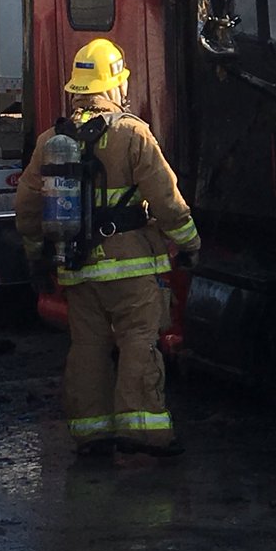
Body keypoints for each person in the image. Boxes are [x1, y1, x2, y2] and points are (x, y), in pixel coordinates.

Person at [16, 38, 200, 459]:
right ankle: (145, 432)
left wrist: (35, 253)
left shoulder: (51, 140)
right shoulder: (133, 134)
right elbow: (167, 198)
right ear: (113, 85)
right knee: (138, 340)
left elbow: (26, 207)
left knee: (87, 346)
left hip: (77, 267)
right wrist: (190, 242)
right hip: (131, 268)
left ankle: (91, 433)